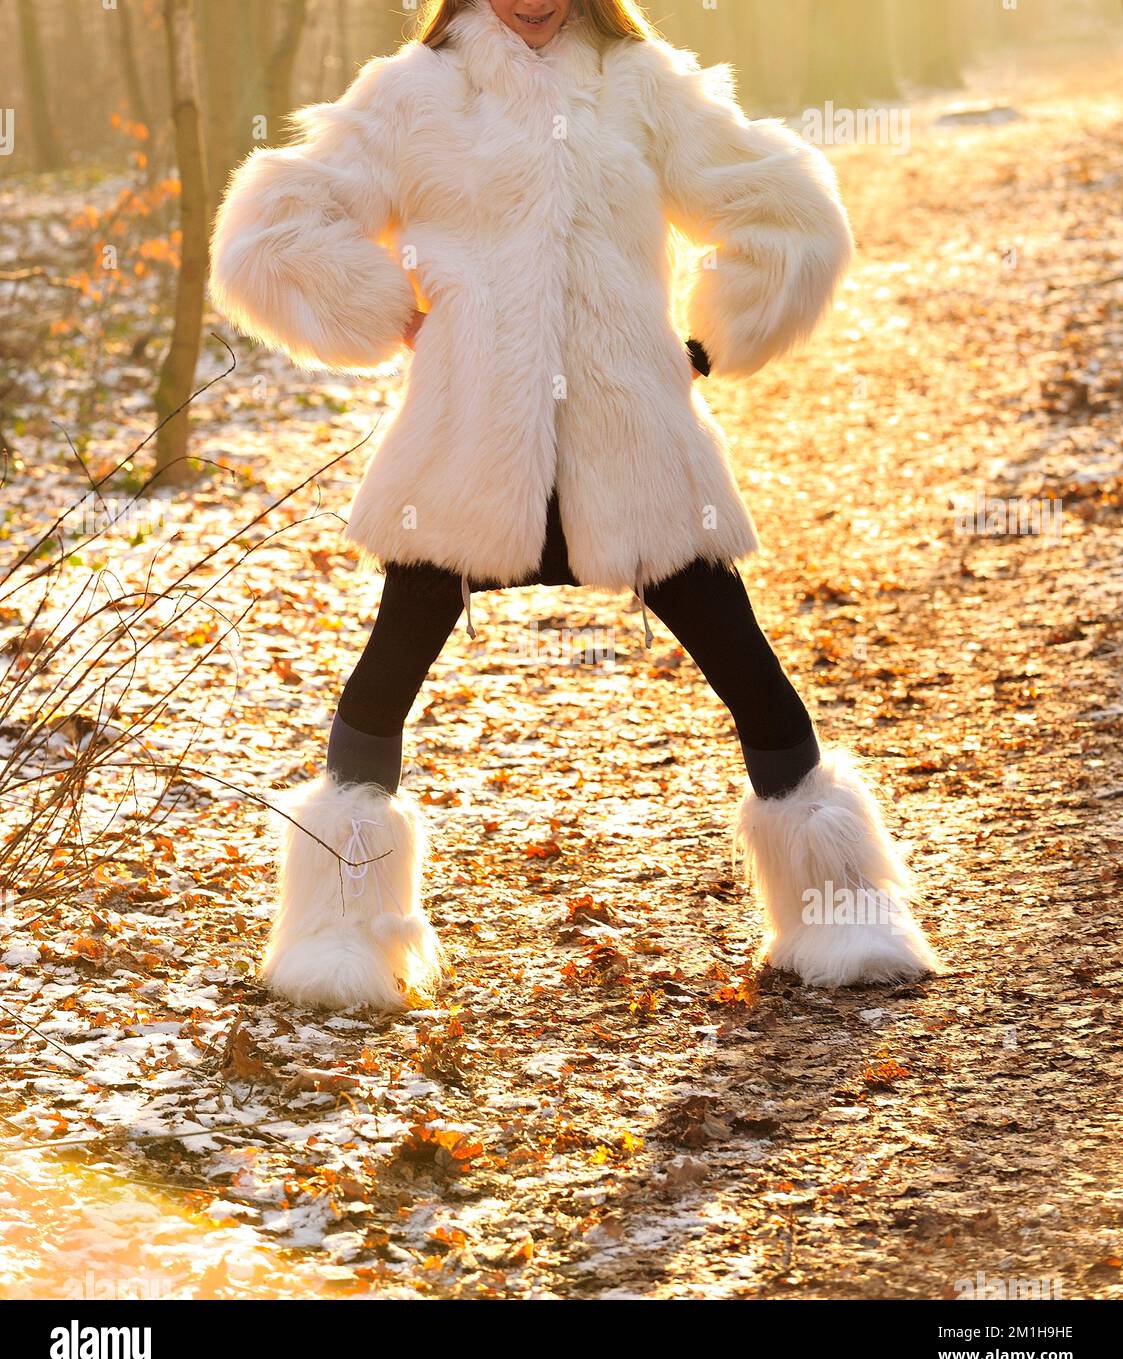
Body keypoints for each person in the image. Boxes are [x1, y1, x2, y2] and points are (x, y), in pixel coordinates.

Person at [208, 0, 940, 1011]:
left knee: (739, 653)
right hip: (471, 445)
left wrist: (708, 342)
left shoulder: (642, 83)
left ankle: (843, 913)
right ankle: (337, 936)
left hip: (630, 439)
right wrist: (387, 310)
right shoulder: (415, 93)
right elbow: (274, 225)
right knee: (388, 669)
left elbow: (784, 210)